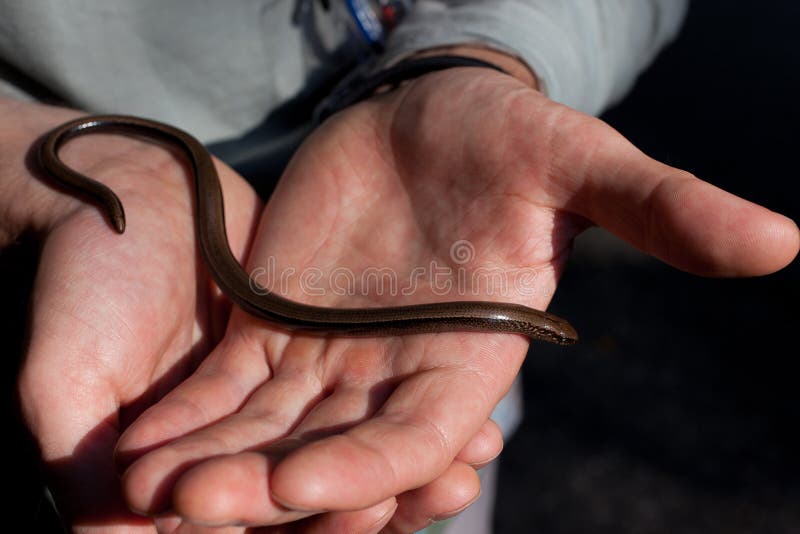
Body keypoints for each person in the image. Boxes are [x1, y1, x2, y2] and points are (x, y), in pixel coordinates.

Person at [1, 1, 797, 532]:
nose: (551, 339)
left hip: (399, 403)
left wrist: (476, 55)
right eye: (545, 334)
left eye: (547, 334)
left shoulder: (465, 320)